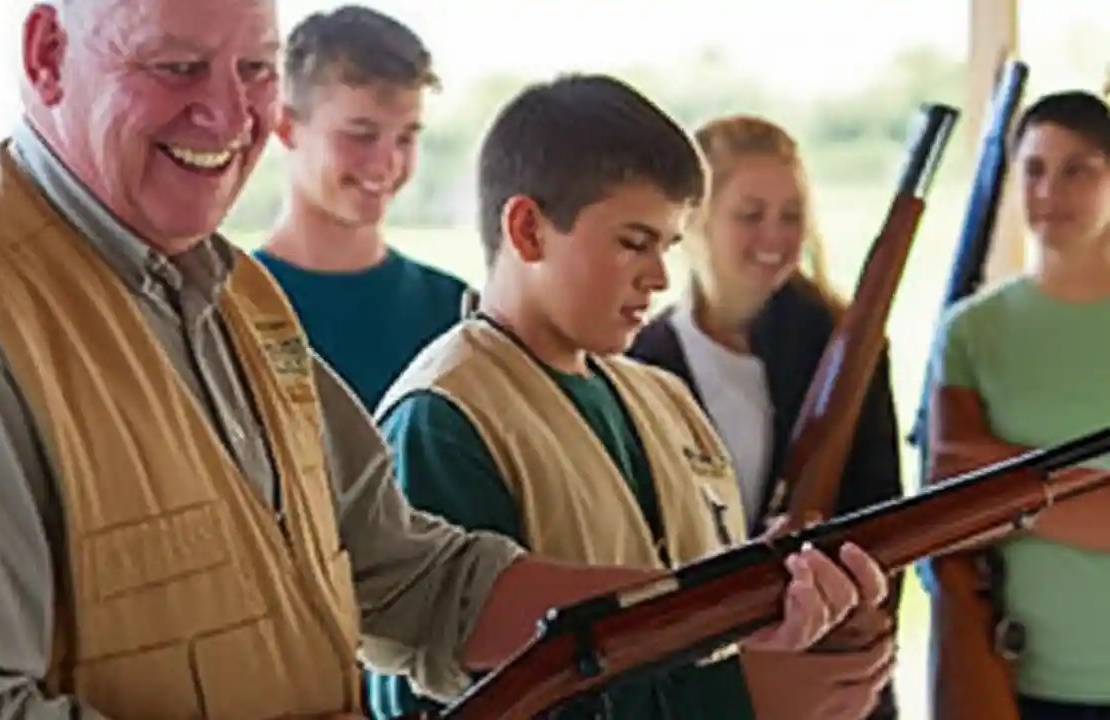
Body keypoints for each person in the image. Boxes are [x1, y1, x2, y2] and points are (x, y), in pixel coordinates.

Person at [0, 1, 886, 719]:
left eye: (251, 69)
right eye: (173, 66)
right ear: (46, 54)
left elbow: (411, 575)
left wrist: (728, 604)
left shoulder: (231, 295)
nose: (224, 112)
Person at [367, 75, 895, 720]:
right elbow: (430, 699)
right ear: (528, 229)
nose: (660, 276)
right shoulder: (443, 418)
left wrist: (801, 616)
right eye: (633, 242)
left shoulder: (664, 399)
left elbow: (704, 625)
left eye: (669, 245)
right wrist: (738, 702)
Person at [627, 115, 904, 718]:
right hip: (704, 681)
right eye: (750, 215)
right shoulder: (641, 361)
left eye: (791, 214)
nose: (774, 236)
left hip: (837, 675)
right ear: (697, 218)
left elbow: (879, 513)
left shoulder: (844, 345)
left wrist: (849, 653)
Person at [926, 90, 1110, 720]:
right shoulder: (971, 331)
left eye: (1076, 170)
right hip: (1013, 683)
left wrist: (1007, 489)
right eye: (1032, 168)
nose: (1048, 190)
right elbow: (948, 489)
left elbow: (974, 487)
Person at [254, 6, 468, 411]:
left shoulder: (455, 312)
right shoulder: (230, 308)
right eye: (362, 135)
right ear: (285, 127)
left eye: (405, 138)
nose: (387, 163)